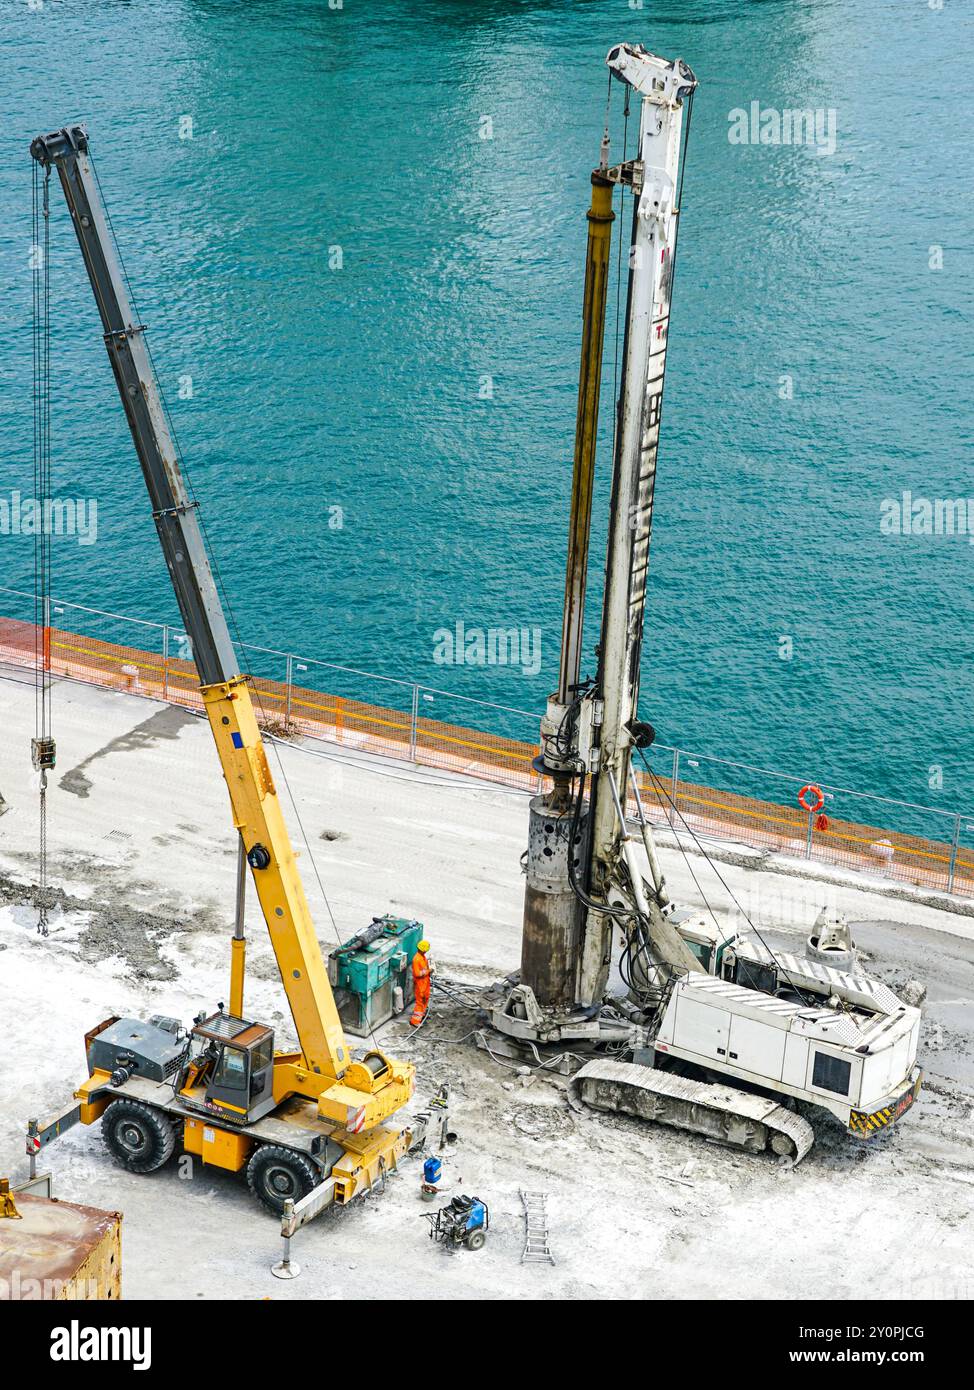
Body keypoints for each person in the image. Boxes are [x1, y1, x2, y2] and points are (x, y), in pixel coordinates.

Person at [410, 938, 433, 1027]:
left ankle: (421, 1015)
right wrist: (428, 971)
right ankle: (415, 1021)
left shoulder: (423, 957)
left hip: (425, 983)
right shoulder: (417, 959)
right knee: (420, 1002)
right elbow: (417, 973)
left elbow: (425, 968)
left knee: (425, 999)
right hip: (420, 985)